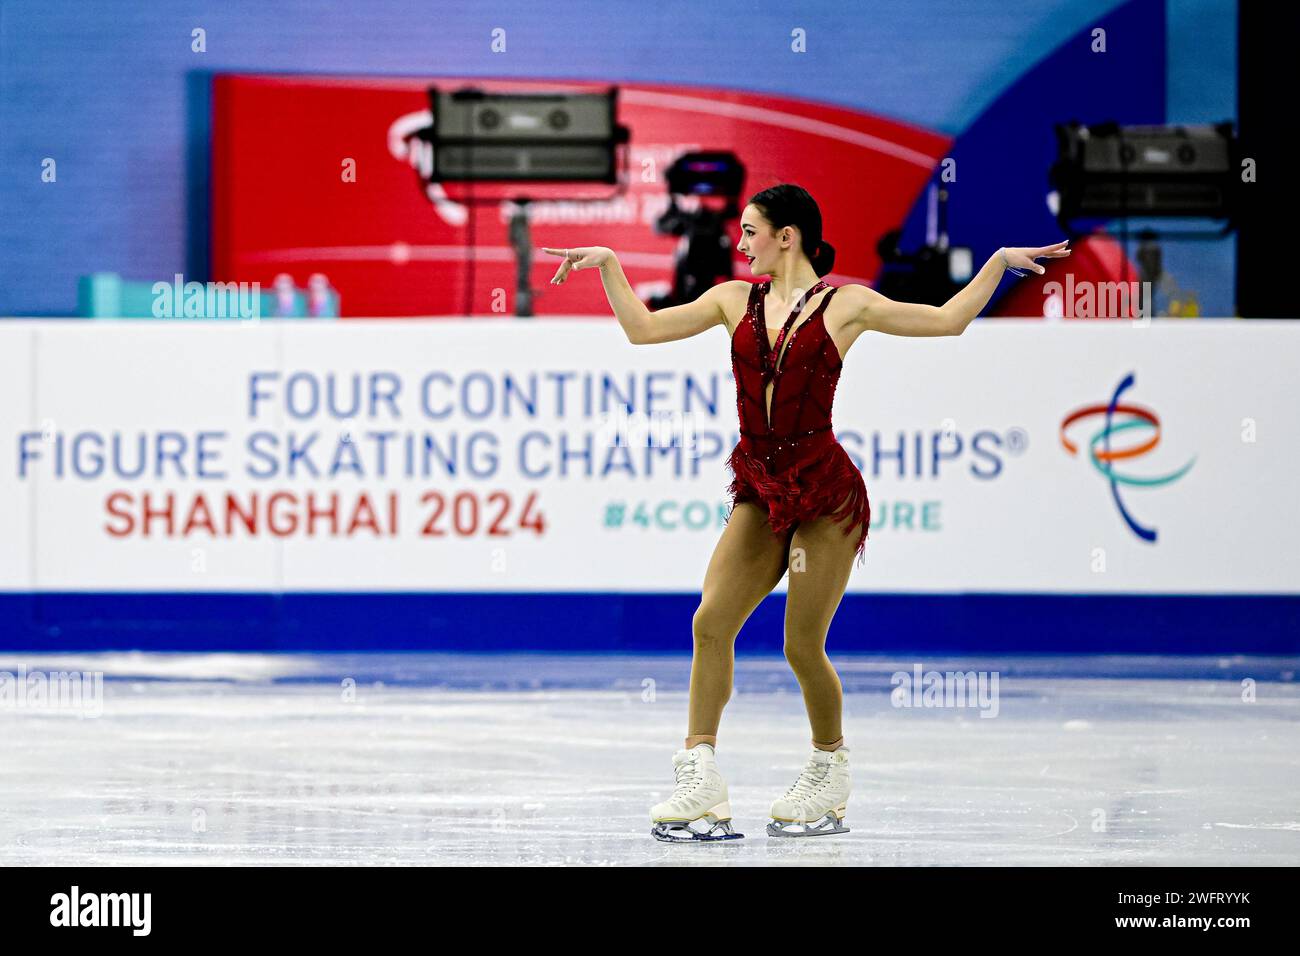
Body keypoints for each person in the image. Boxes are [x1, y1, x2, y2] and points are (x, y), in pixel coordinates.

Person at [544, 183, 1069, 840]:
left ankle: (829, 768)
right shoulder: (732, 298)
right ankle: (701, 775)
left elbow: (947, 320)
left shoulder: (847, 305)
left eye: (749, 231)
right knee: (711, 621)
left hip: (824, 495)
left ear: (785, 236)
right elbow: (642, 329)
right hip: (761, 489)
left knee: (800, 644)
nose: (740, 243)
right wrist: (610, 266)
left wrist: (993, 265)